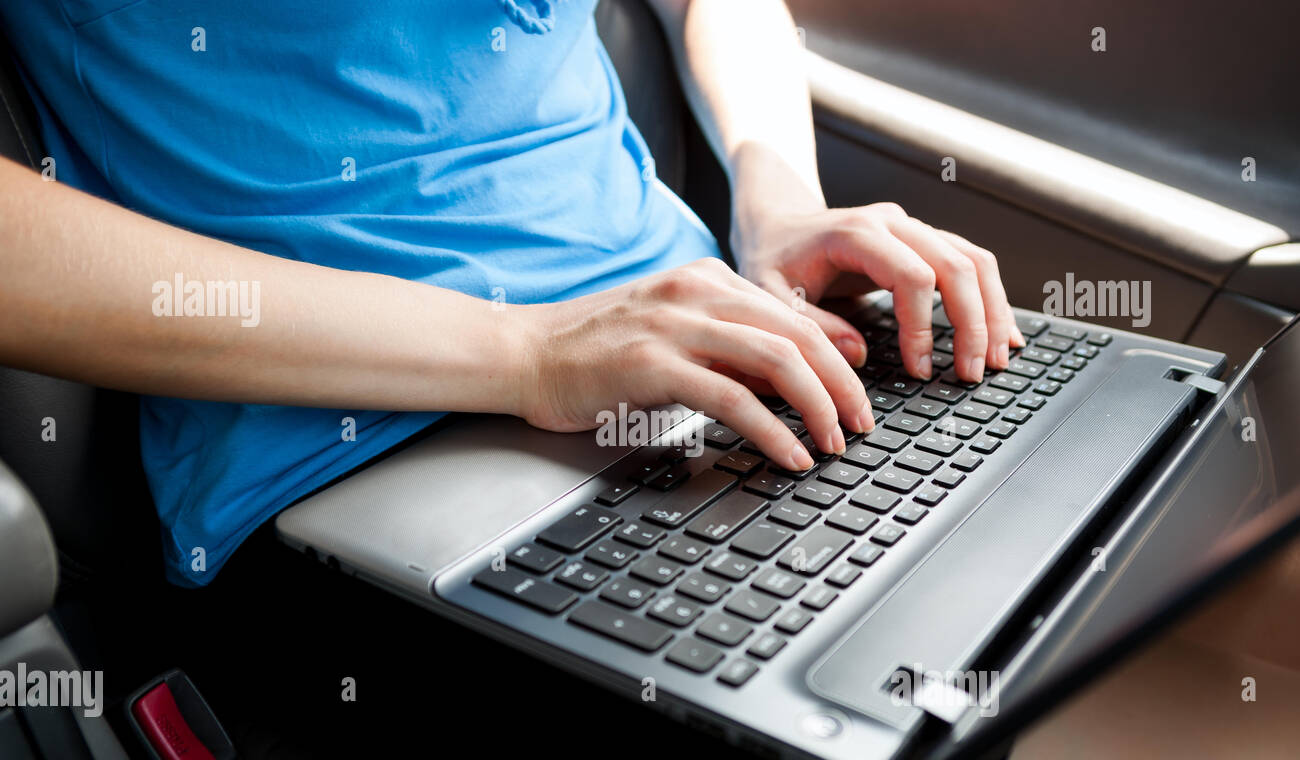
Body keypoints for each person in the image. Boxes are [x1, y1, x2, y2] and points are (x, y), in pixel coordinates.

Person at [0, 0, 1022, 586]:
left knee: (1007, 544)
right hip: (357, 454)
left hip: (702, 344)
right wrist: (531, 351)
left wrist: (780, 198)